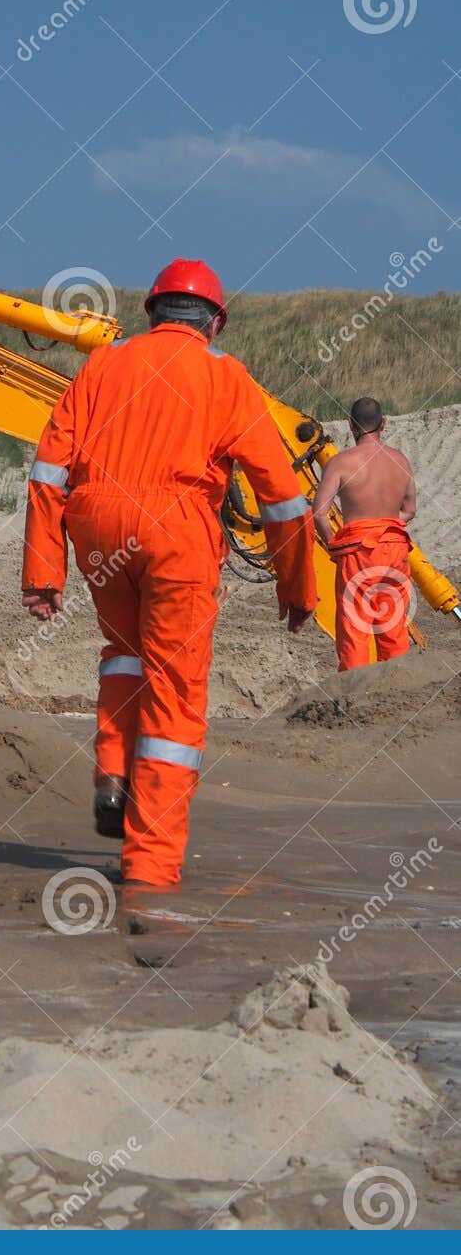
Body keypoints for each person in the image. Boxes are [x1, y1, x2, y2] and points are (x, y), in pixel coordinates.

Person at [22, 259, 317, 889]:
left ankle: (113, 772)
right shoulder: (224, 375)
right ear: (213, 322)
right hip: (178, 532)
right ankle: (150, 865)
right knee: (175, 693)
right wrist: (296, 587)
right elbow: (281, 494)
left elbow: (49, 467)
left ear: (153, 311)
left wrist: (44, 573)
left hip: (97, 524)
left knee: (124, 654)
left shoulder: (104, 363)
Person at [311, 397, 416, 672]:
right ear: (384, 423)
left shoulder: (340, 463)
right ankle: (396, 689)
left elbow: (320, 513)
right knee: (393, 624)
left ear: (350, 425)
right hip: (394, 548)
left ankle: (355, 696)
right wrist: (386, 525)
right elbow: (409, 511)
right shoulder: (400, 460)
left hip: (357, 553)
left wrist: (333, 543)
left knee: (355, 627)